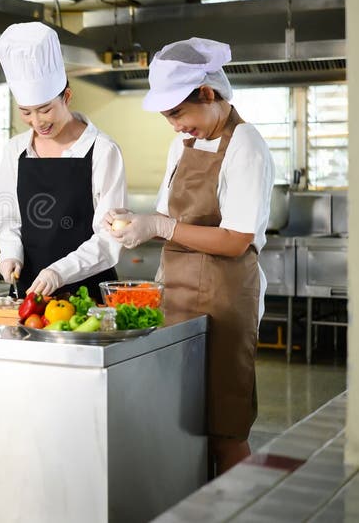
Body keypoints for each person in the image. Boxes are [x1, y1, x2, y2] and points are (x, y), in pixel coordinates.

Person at [104, 37, 273, 476]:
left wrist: (161, 228)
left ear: (209, 94)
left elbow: (238, 238)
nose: (176, 126)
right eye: (168, 117)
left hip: (224, 301)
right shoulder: (181, 145)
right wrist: (136, 220)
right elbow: (167, 212)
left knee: (225, 429)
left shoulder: (246, 145)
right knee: (181, 424)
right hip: (175, 296)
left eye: (178, 113)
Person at [0, 22, 127, 300]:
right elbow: (8, 219)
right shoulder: (15, 150)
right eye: (26, 112)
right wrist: (10, 254)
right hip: (28, 292)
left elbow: (109, 237)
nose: (37, 122)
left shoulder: (102, 150)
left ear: (66, 96)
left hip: (86, 292)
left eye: (45, 110)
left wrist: (59, 272)